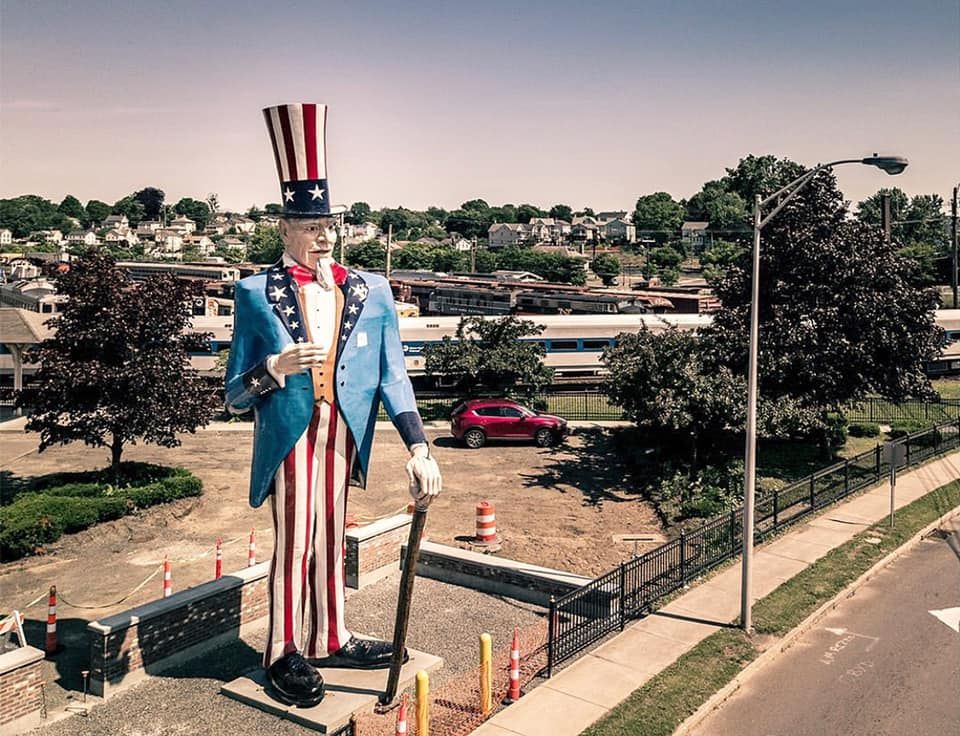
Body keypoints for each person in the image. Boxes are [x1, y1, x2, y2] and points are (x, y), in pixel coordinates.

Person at [225, 103, 441, 708]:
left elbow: (392, 375)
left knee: (330, 538)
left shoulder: (371, 290)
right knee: (294, 542)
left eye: (329, 226)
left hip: (343, 435)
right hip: (292, 436)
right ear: (284, 230)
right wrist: (273, 369)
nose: (323, 237)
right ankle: (282, 649)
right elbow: (234, 393)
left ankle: (330, 636)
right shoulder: (254, 293)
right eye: (310, 226)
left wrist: (419, 446)